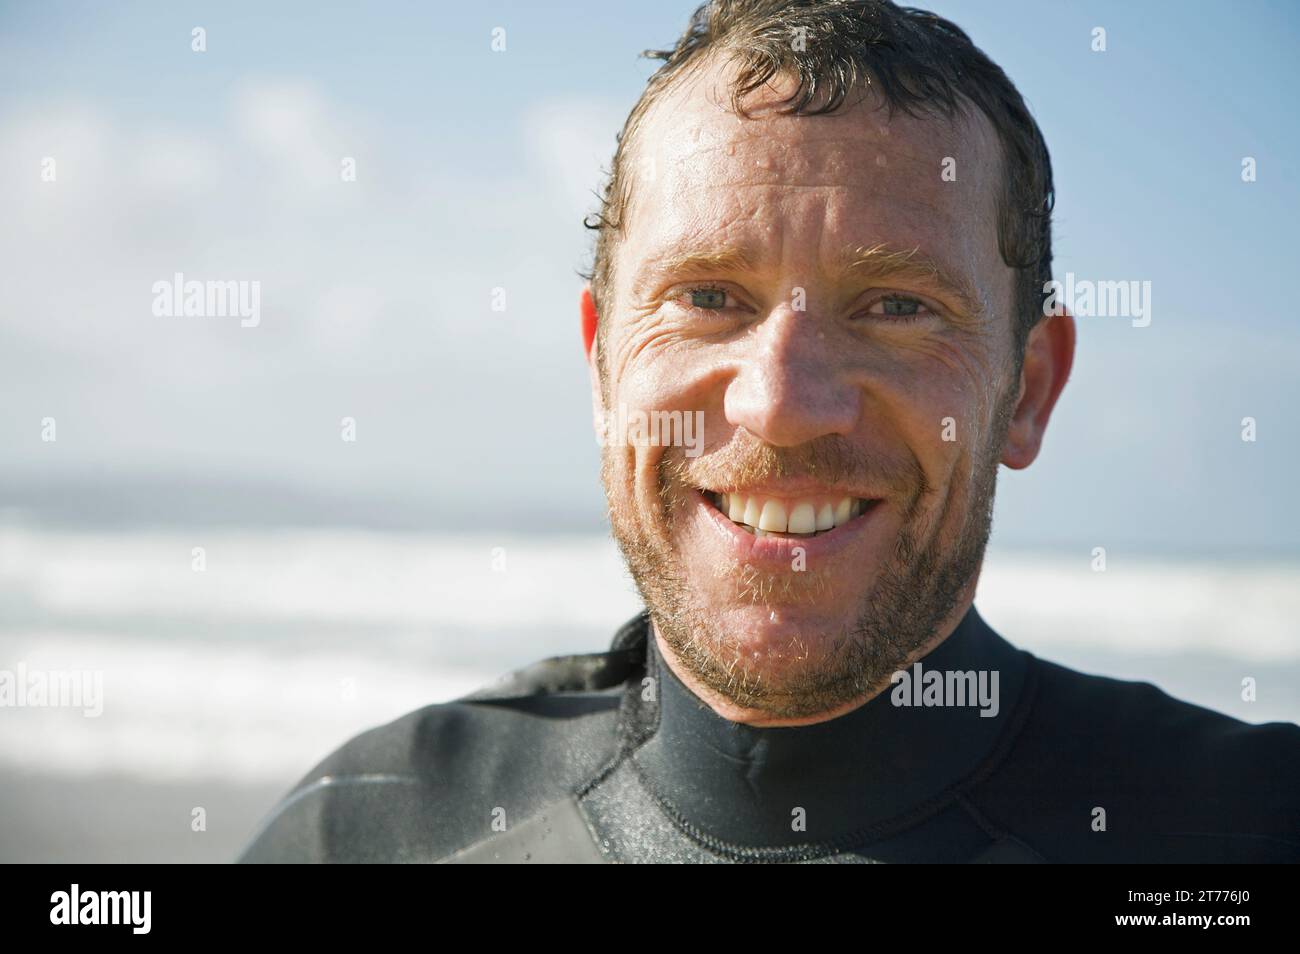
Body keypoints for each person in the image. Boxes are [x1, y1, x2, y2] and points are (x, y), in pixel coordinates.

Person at [238, 0, 1299, 863]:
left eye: (896, 306)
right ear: (603, 363)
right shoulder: (367, 831)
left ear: (1027, 391)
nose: (782, 404)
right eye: (706, 296)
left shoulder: (1250, 829)